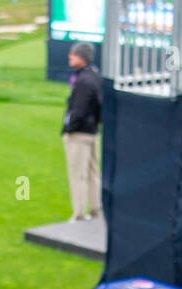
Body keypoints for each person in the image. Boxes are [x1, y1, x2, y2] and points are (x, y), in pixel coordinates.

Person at [61, 41, 102, 222]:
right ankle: (96, 210)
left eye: (74, 54)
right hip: (93, 131)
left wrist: (69, 127)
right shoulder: (95, 76)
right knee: (93, 172)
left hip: (79, 133)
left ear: (82, 57)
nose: (70, 56)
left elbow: (79, 109)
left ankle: (79, 214)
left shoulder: (84, 80)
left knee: (78, 174)